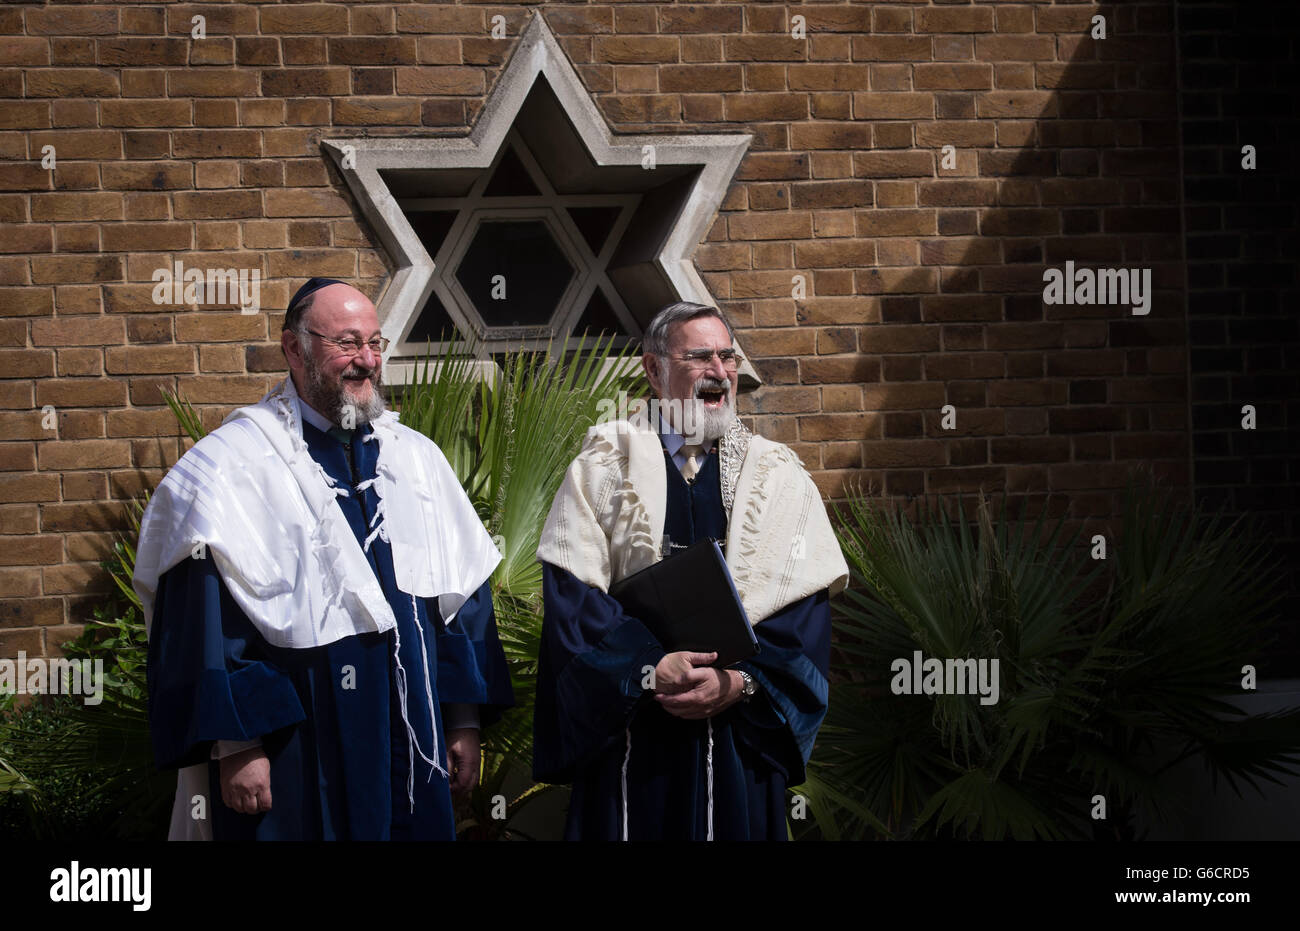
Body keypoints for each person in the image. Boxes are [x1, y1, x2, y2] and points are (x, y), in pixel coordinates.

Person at [134, 278, 513, 840]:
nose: (366, 361)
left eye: (376, 344)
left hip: (417, 737)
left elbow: (461, 600)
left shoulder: (417, 461)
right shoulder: (230, 467)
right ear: (294, 348)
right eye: (347, 343)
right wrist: (237, 742)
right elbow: (203, 618)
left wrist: (462, 717)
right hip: (301, 742)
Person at [533, 301, 849, 840]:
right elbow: (573, 598)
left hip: (739, 739)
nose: (720, 371)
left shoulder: (778, 476)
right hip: (634, 738)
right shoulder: (602, 467)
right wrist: (651, 666)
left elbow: (804, 611)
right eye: (699, 357)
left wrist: (740, 681)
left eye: (727, 356)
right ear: (654, 371)